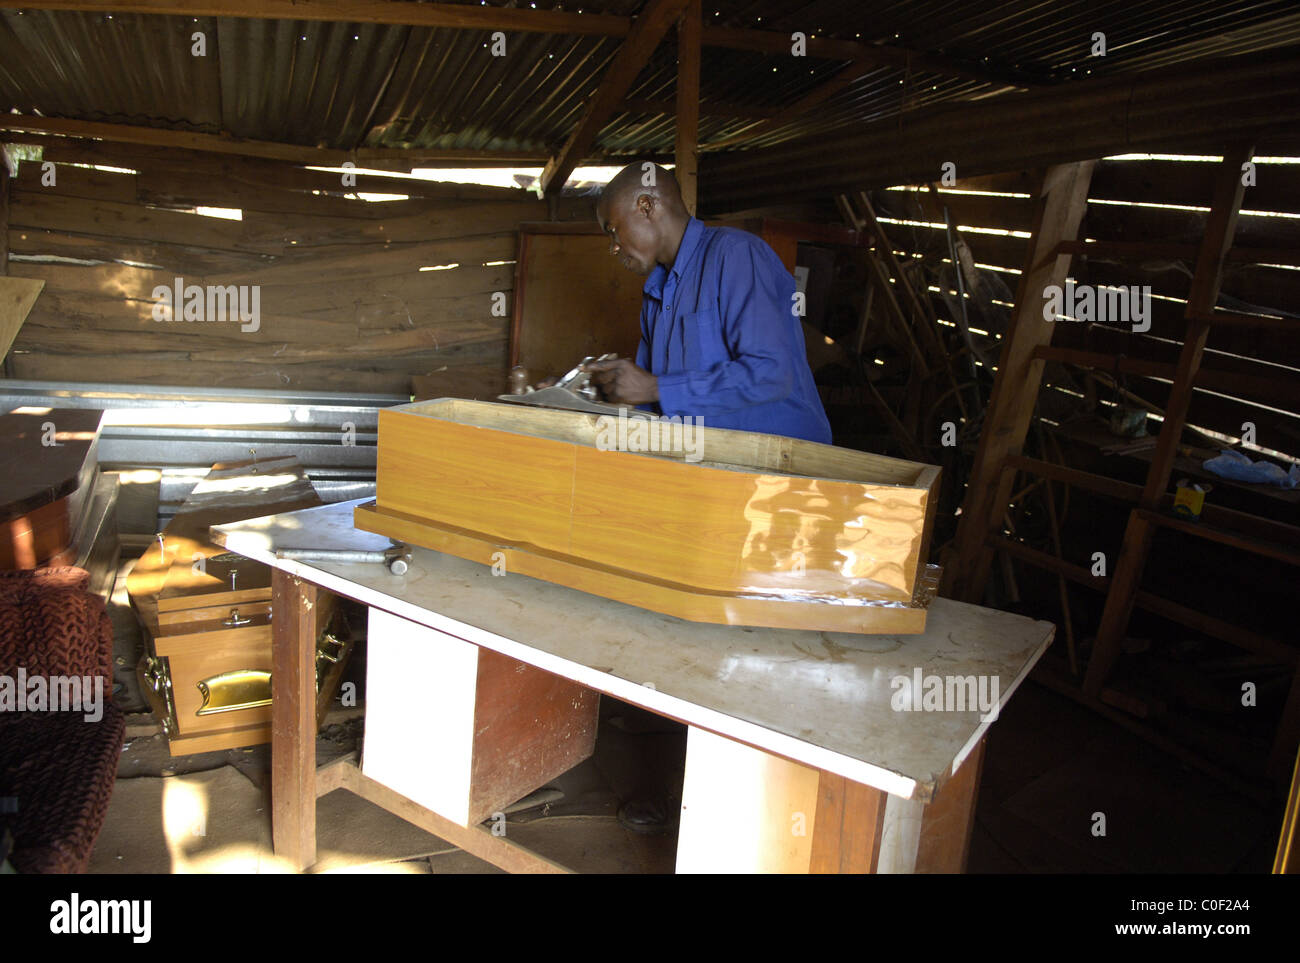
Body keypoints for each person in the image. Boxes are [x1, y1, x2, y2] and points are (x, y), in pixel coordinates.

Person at [584, 162, 832, 446]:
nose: (613, 246)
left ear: (645, 206)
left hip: (785, 462)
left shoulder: (735, 254)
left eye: (613, 229)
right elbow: (650, 401)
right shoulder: (656, 291)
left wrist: (655, 387)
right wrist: (590, 395)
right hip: (714, 458)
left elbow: (770, 373)